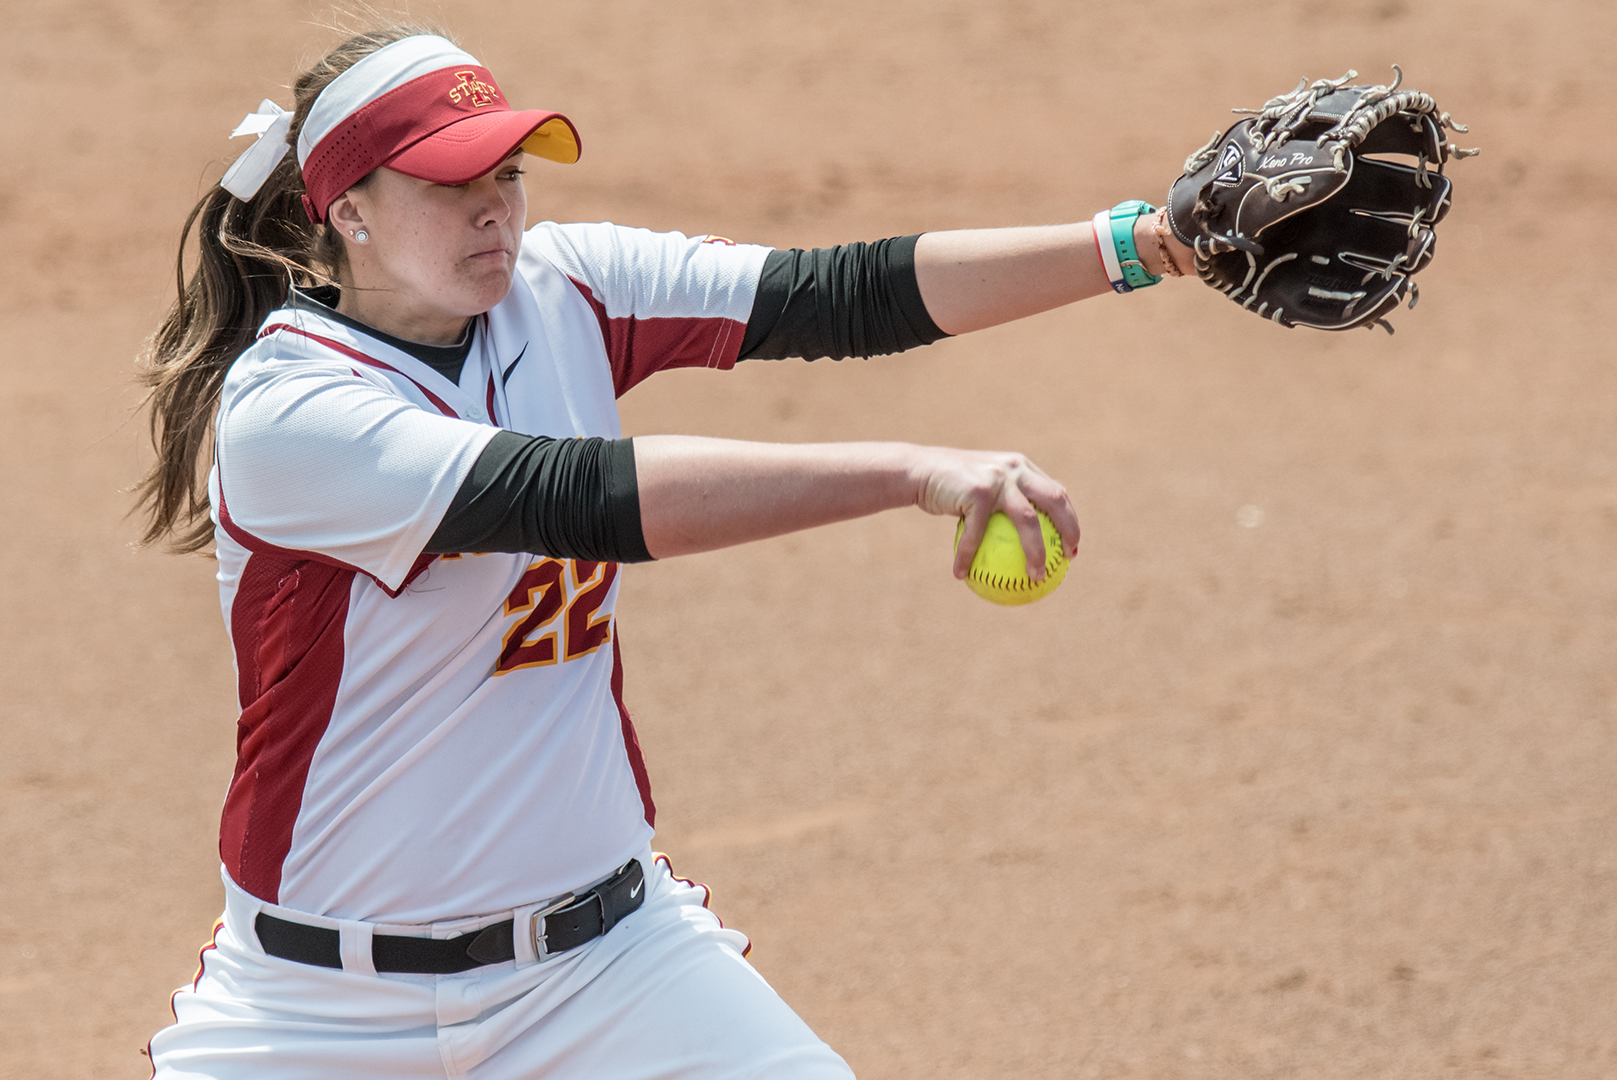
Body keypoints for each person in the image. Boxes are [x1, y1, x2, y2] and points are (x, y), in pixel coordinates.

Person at [135, 21, 1196, 1080]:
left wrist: (1140, 246)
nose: (494, 207)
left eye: (503, 171)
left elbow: (842, 294)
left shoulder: (567, 289)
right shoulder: (290, 411)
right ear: (348, 209)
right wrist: (912, 470)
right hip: (321, 1016)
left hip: (605, 973)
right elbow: (585, 498)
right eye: (450, 184)